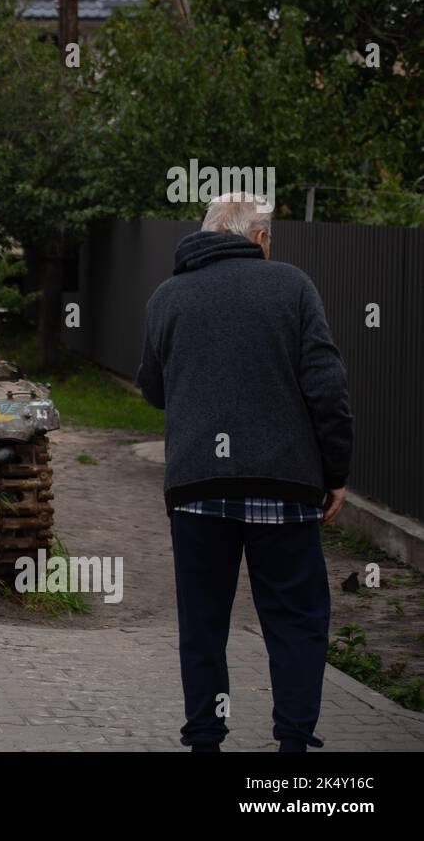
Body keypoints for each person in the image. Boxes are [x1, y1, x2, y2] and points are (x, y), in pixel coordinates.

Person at [137, 192, 354, 752]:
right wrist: (335, 472)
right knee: (295, 620)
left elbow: (153, 389)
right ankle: (293, 743)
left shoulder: (167, 296)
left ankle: (206, 739)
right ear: (257, 238)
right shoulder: (292, 287)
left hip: (197, 491)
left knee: (203, 625)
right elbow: (327, 389)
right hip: (284, 488)